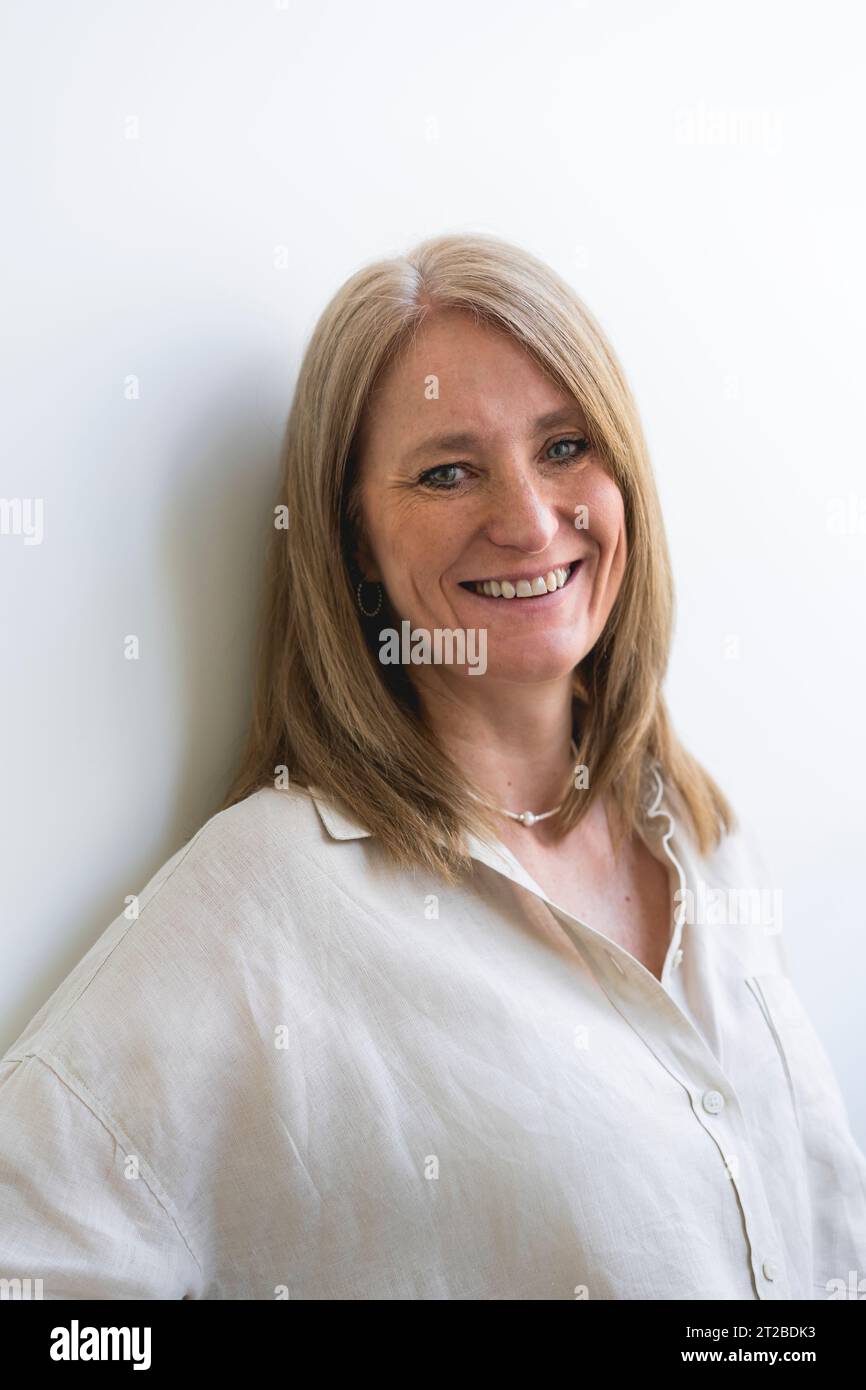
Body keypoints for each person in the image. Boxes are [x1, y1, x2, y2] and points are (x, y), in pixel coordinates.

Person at [1, 233, 863, 1300]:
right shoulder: (271, 894)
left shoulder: (700, 835)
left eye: (562, 447)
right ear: (353, 541)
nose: (528, 518)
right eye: (446, 471)